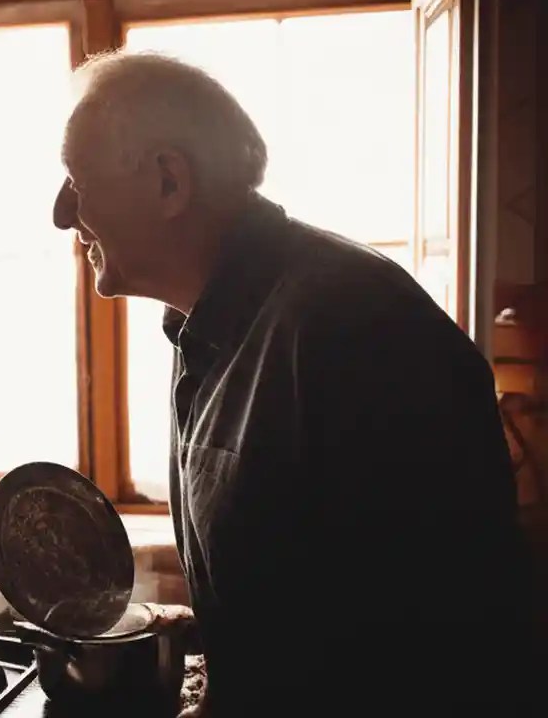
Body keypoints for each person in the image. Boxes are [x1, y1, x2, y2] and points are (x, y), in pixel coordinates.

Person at [51, 52, 532, 716]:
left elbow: (439, 640)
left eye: (76, 178)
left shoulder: (355, 327)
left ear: (168, 182)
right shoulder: (209, 323)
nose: (60, 212)